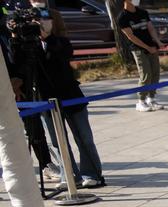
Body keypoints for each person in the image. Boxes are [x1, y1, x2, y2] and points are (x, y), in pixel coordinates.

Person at [11, 14, 105, 187]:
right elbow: (20, 65)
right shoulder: (28, 46)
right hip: (46, 100)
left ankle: (92, 174)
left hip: (71, 96)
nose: (38, 26)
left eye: (42, 21)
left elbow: (63, 55)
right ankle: (68, 175)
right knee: (57, 142)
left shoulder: (61, 42)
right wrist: (16, 38)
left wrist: (47, 37)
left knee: (83, 137)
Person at [118, 0, 167, 112]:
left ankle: (151, 99)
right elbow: (131, 37)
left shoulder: (143, 12)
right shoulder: (122, 17)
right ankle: (141, 101)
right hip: (138, 49)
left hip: (151, 46)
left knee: (155, 73)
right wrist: (147, 48)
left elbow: (151, 28)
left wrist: (158, 42)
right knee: (146, 74)